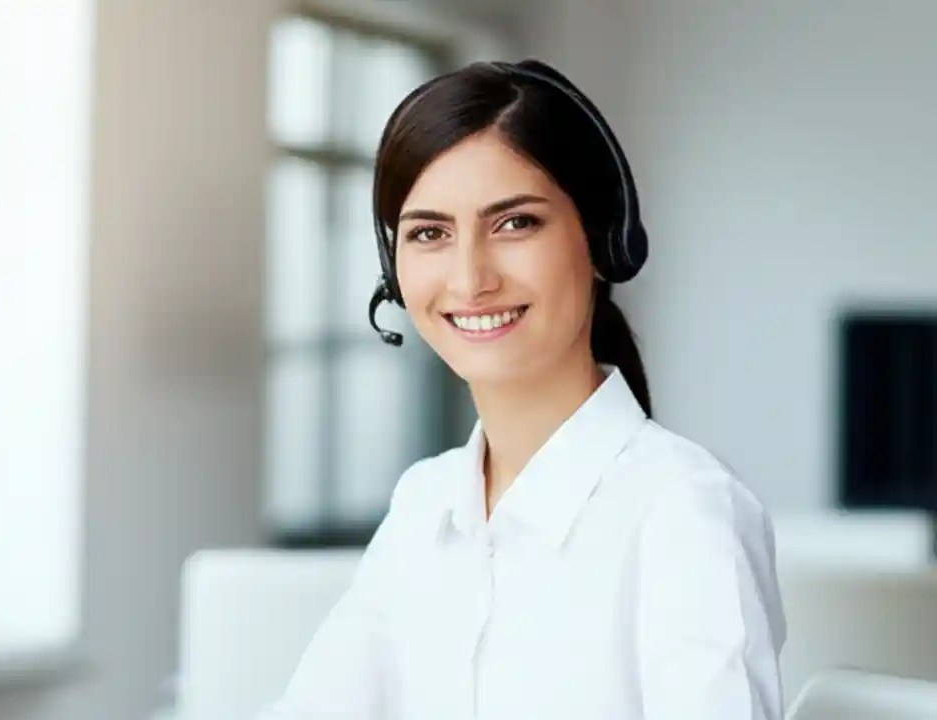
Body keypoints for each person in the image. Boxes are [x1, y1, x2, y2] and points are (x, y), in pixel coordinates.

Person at [260, 59, 786, 719]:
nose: (469, 278)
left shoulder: (682, 511)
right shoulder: (427, 504)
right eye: (430, 233)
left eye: (515, 224)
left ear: (601, 240)